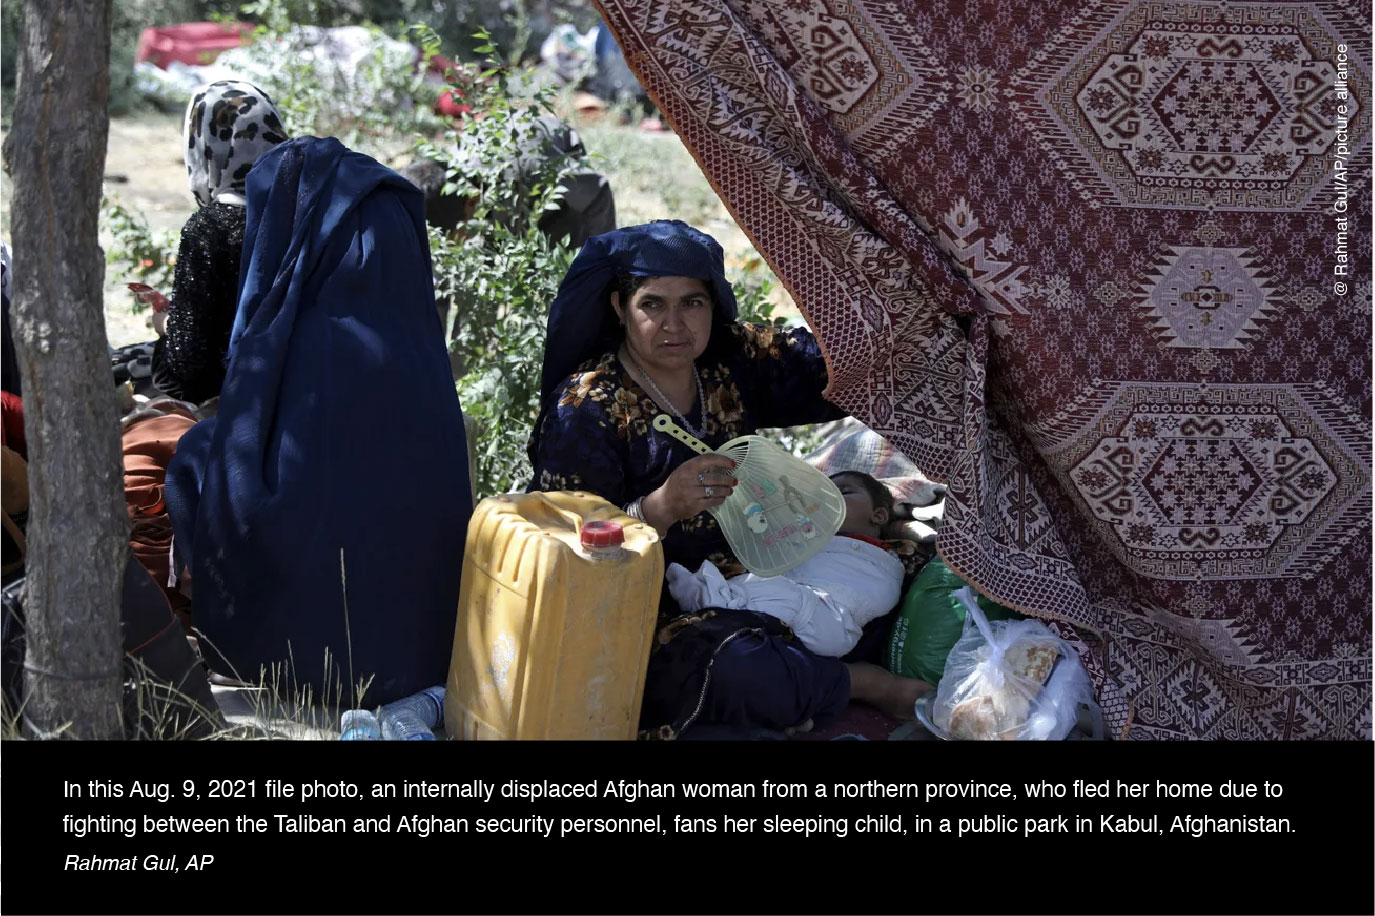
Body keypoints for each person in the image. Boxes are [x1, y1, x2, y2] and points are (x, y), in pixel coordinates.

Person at [528, 220, 930, 738]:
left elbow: (833, 361)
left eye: (692, 303)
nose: (675, 324)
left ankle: (799, 688)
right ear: (618, 306)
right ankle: (856, 684)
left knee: (897, 578)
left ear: (712, 305)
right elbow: (564, 548)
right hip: (662, 612)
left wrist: (918, 310)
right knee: (735, 667)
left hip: (765, 571)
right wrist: (658, 509)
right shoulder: (587, 409)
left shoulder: (727, 360)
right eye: (652, 304)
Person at [164, 135, 474, 708]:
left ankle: (233, 629)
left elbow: (241, 450)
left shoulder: (287, 328)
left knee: (194, 457)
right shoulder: (419, 336)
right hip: (423, 652)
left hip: (292, 659)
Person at [145, 81, 289, 404]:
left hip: (233, 400)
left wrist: (165, 322)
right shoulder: (300, 206)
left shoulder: (209, 229)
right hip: (297, 387)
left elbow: (186, 357)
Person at [665, 471, 905, 658]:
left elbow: (879, 593)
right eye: (821, 496)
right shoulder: (807, 541)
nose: (828, 500)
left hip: (832, 623)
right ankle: (718, 598)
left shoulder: (883, 561)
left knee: (778, 592)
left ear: (879, 516)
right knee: (764, 586)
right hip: (792, 610)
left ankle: (709, 598)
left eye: (842, 492)